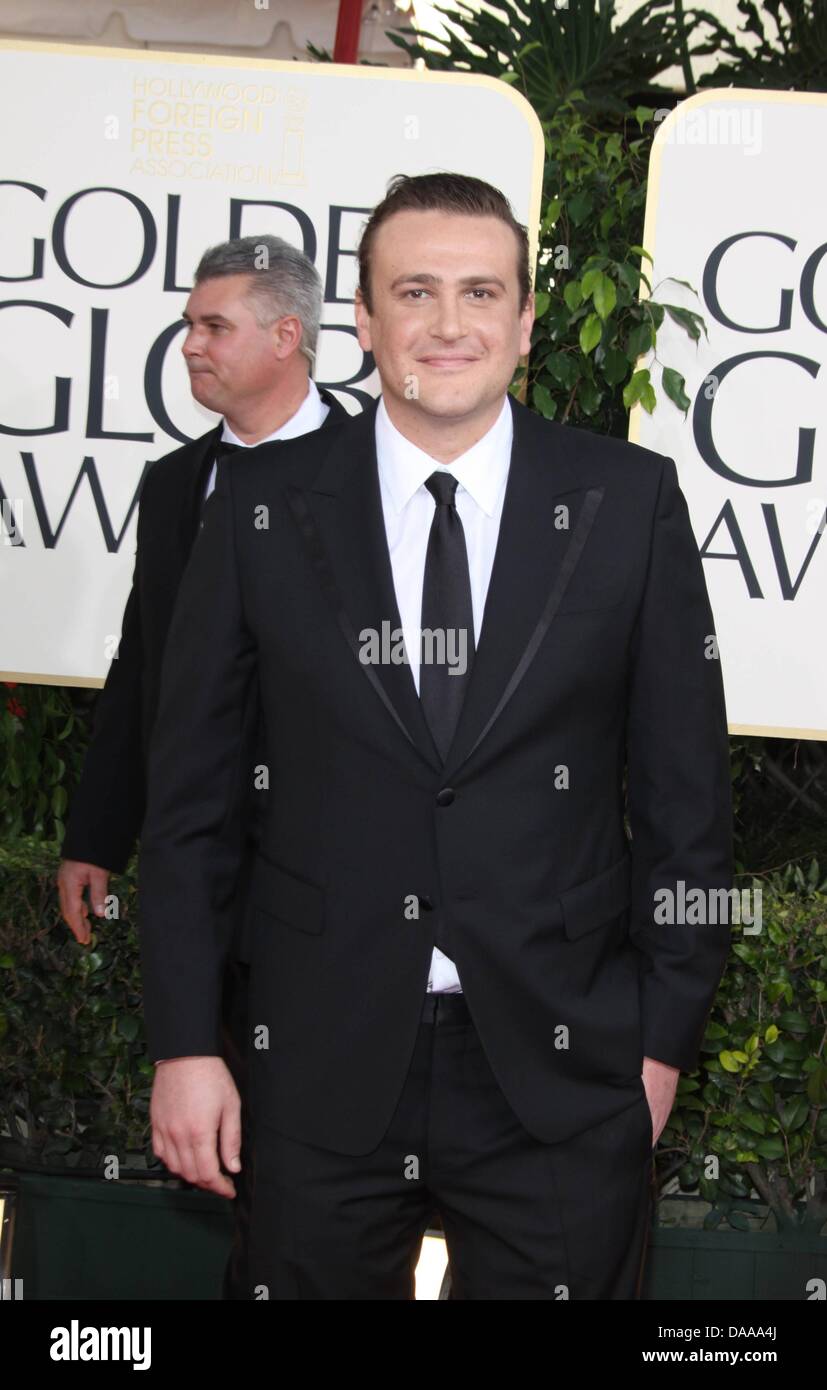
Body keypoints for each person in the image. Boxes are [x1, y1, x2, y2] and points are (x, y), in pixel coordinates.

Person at [137, 173, 733, 1300]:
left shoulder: (625, 500)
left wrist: (655, 1048)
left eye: (480, 292)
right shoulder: (259, 506)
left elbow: (683, 801)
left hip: (559, 1062)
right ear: (361, 323)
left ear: (523, 320)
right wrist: (184, 1043)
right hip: (312, 1055)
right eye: (414, 291)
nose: (448, 324)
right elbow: (191, 804)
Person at [57, 233, 350, 1298]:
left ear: (287, 336)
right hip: (205, 876)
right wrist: (98, 834)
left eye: (211, 326)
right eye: (188, 326)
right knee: (233, 1128)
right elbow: (146, 665)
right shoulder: (177, 484)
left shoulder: (380, 471)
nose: (189, 346)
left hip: (341, 884)